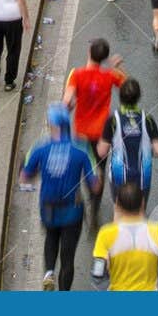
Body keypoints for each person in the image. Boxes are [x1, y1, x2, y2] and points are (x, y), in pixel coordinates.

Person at [20, 104, 101, 290]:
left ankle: (49, 272)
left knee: (51, 236)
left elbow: (25, 176)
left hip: (48, 206)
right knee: (68, 257)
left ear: (53, 125)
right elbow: (94, 185)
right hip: (72, 209)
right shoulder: (81, 147)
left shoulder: (40, 147)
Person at [63, 39, 126, 228]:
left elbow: (66, 102)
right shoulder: (110, 76)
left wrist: (71, 105)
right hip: (101, 134)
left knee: (80, 166)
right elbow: (129, 87)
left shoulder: (77, 74)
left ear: (89, 53)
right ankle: (95, 206)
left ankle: (78, 198)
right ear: (104, 57)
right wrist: (116, 68)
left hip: (80, 132)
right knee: (98, 168)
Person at [90, 180, 158, 291]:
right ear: (142, 203)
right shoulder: (157, 231)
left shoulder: (106, 233)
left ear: (117, 205)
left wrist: (108, 268)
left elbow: (97, 275)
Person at [97, 78, 158, 205]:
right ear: (139, 97)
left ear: (120, 97)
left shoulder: (113, 119)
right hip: (143, 176)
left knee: (119, 210)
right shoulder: (147, 118)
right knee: (140, 211)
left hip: (119, 175)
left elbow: (102, 152)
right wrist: (148, 151)